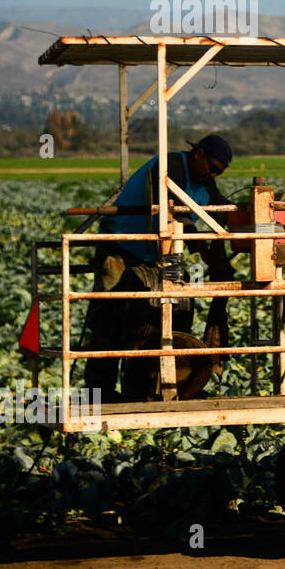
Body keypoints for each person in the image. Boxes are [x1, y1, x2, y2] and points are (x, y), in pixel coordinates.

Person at [88, 135, 234, 400]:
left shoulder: (205, 182)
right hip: (120, 247)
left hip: (154, 254)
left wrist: (242, 222)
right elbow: (176, 211)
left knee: (171, 312)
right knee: (109, 318)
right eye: (212, 167)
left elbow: (217, 210)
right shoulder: (171, 166)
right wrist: (203, 250)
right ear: (198, 154)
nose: (213, 174)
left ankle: (162, 385)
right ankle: (99, 394)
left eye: (218, 172)